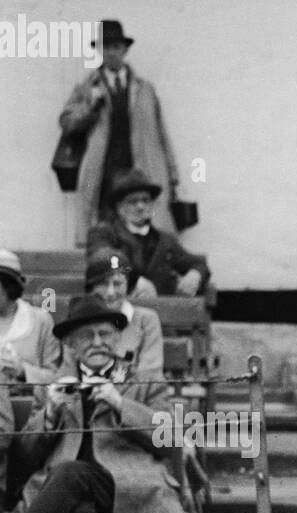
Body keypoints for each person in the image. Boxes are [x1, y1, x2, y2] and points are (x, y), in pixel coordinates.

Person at [2, 296, 185, 513]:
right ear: (71, 345)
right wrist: (50, 415)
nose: (98, 342)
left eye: (105, 334)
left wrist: (121, 404)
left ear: (117, 338)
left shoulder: (144, 379)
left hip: (126, 487)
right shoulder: (53, 387)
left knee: (70, 471)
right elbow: (22, 459)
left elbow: (170, 439)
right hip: (63, 496)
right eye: (87, 336)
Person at [57, 19, 181, 246]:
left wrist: (172, 173)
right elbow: (67, 123)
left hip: (140, 170)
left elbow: (161, 133)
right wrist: (90, 107)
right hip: (103, 172)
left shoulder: (144, 89)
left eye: (116, 47)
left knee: (145, 224)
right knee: (104, 228)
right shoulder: (87, 88)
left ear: (124, 50)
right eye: (106, 47)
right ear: (99, 51)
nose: (111, 53)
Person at [87, 169, 210, 299]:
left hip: (162, 313)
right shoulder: (104, 233)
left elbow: (198, 263)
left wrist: (195, 275)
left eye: (145, 200)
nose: (140, 206)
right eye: (133, 201)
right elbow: (102, 259)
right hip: (117, 309)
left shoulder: (165, 240)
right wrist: (135, 281)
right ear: (119, 208)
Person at [84, 249, 164, 381]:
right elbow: (68, 374)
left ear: (128, 287)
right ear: (92, 288)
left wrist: (117, 398)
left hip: (132, 398)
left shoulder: (146, 320)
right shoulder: (78, 321)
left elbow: (150, 374)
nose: (110, 292)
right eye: (103, 284)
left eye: (117, 284)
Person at [0, 251, 60, 386]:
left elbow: (55, 377)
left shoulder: (41, 321)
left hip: (30, 403)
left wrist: (22, 371)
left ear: (9, 286)